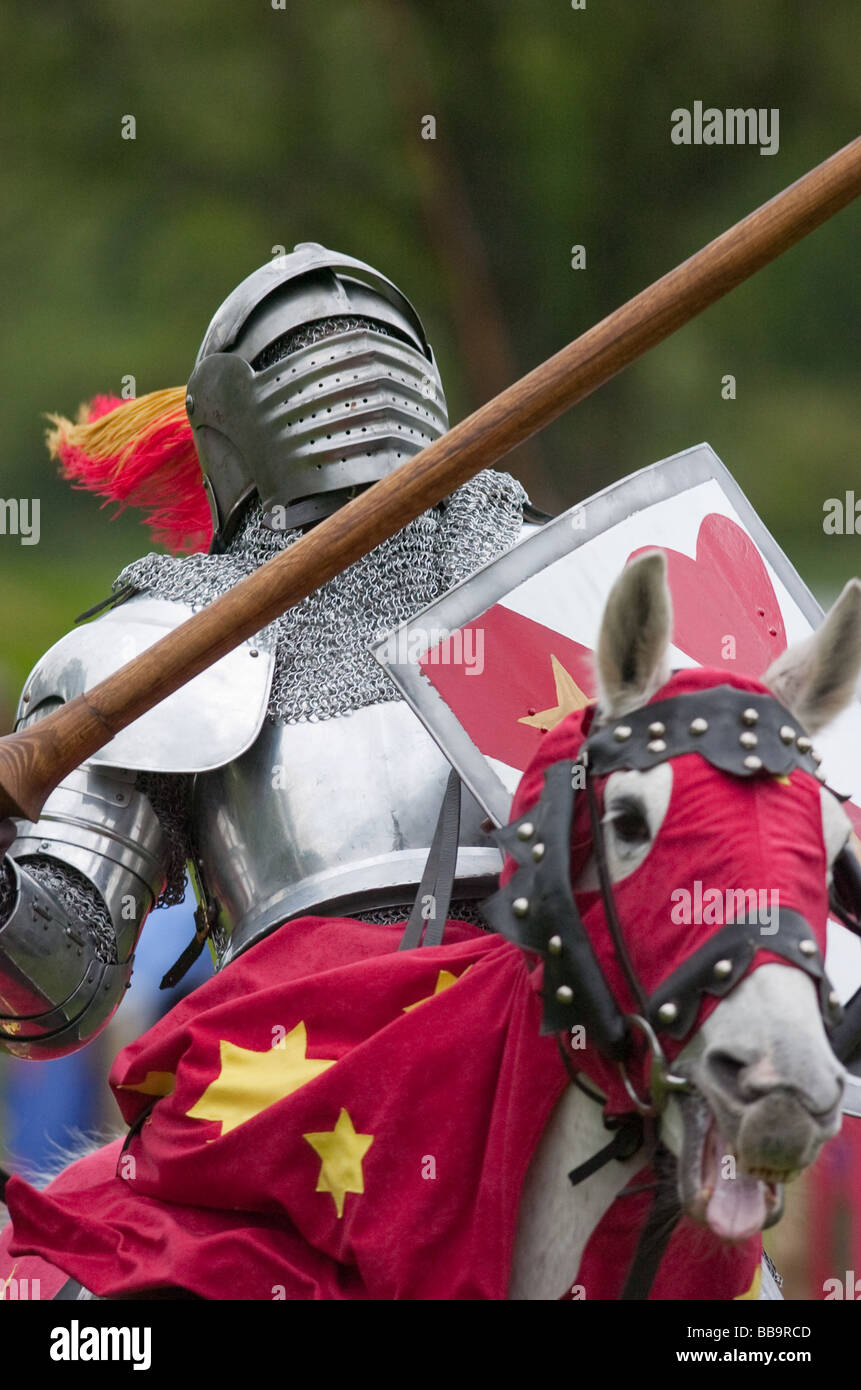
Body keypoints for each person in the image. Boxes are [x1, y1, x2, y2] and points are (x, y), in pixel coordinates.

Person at [0, 243, 539, 1063]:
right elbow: (56, 987)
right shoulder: (158, 649)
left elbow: (62, 990)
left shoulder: (555, 580)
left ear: (222, 435)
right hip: (299, 1084)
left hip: (539, 1055)